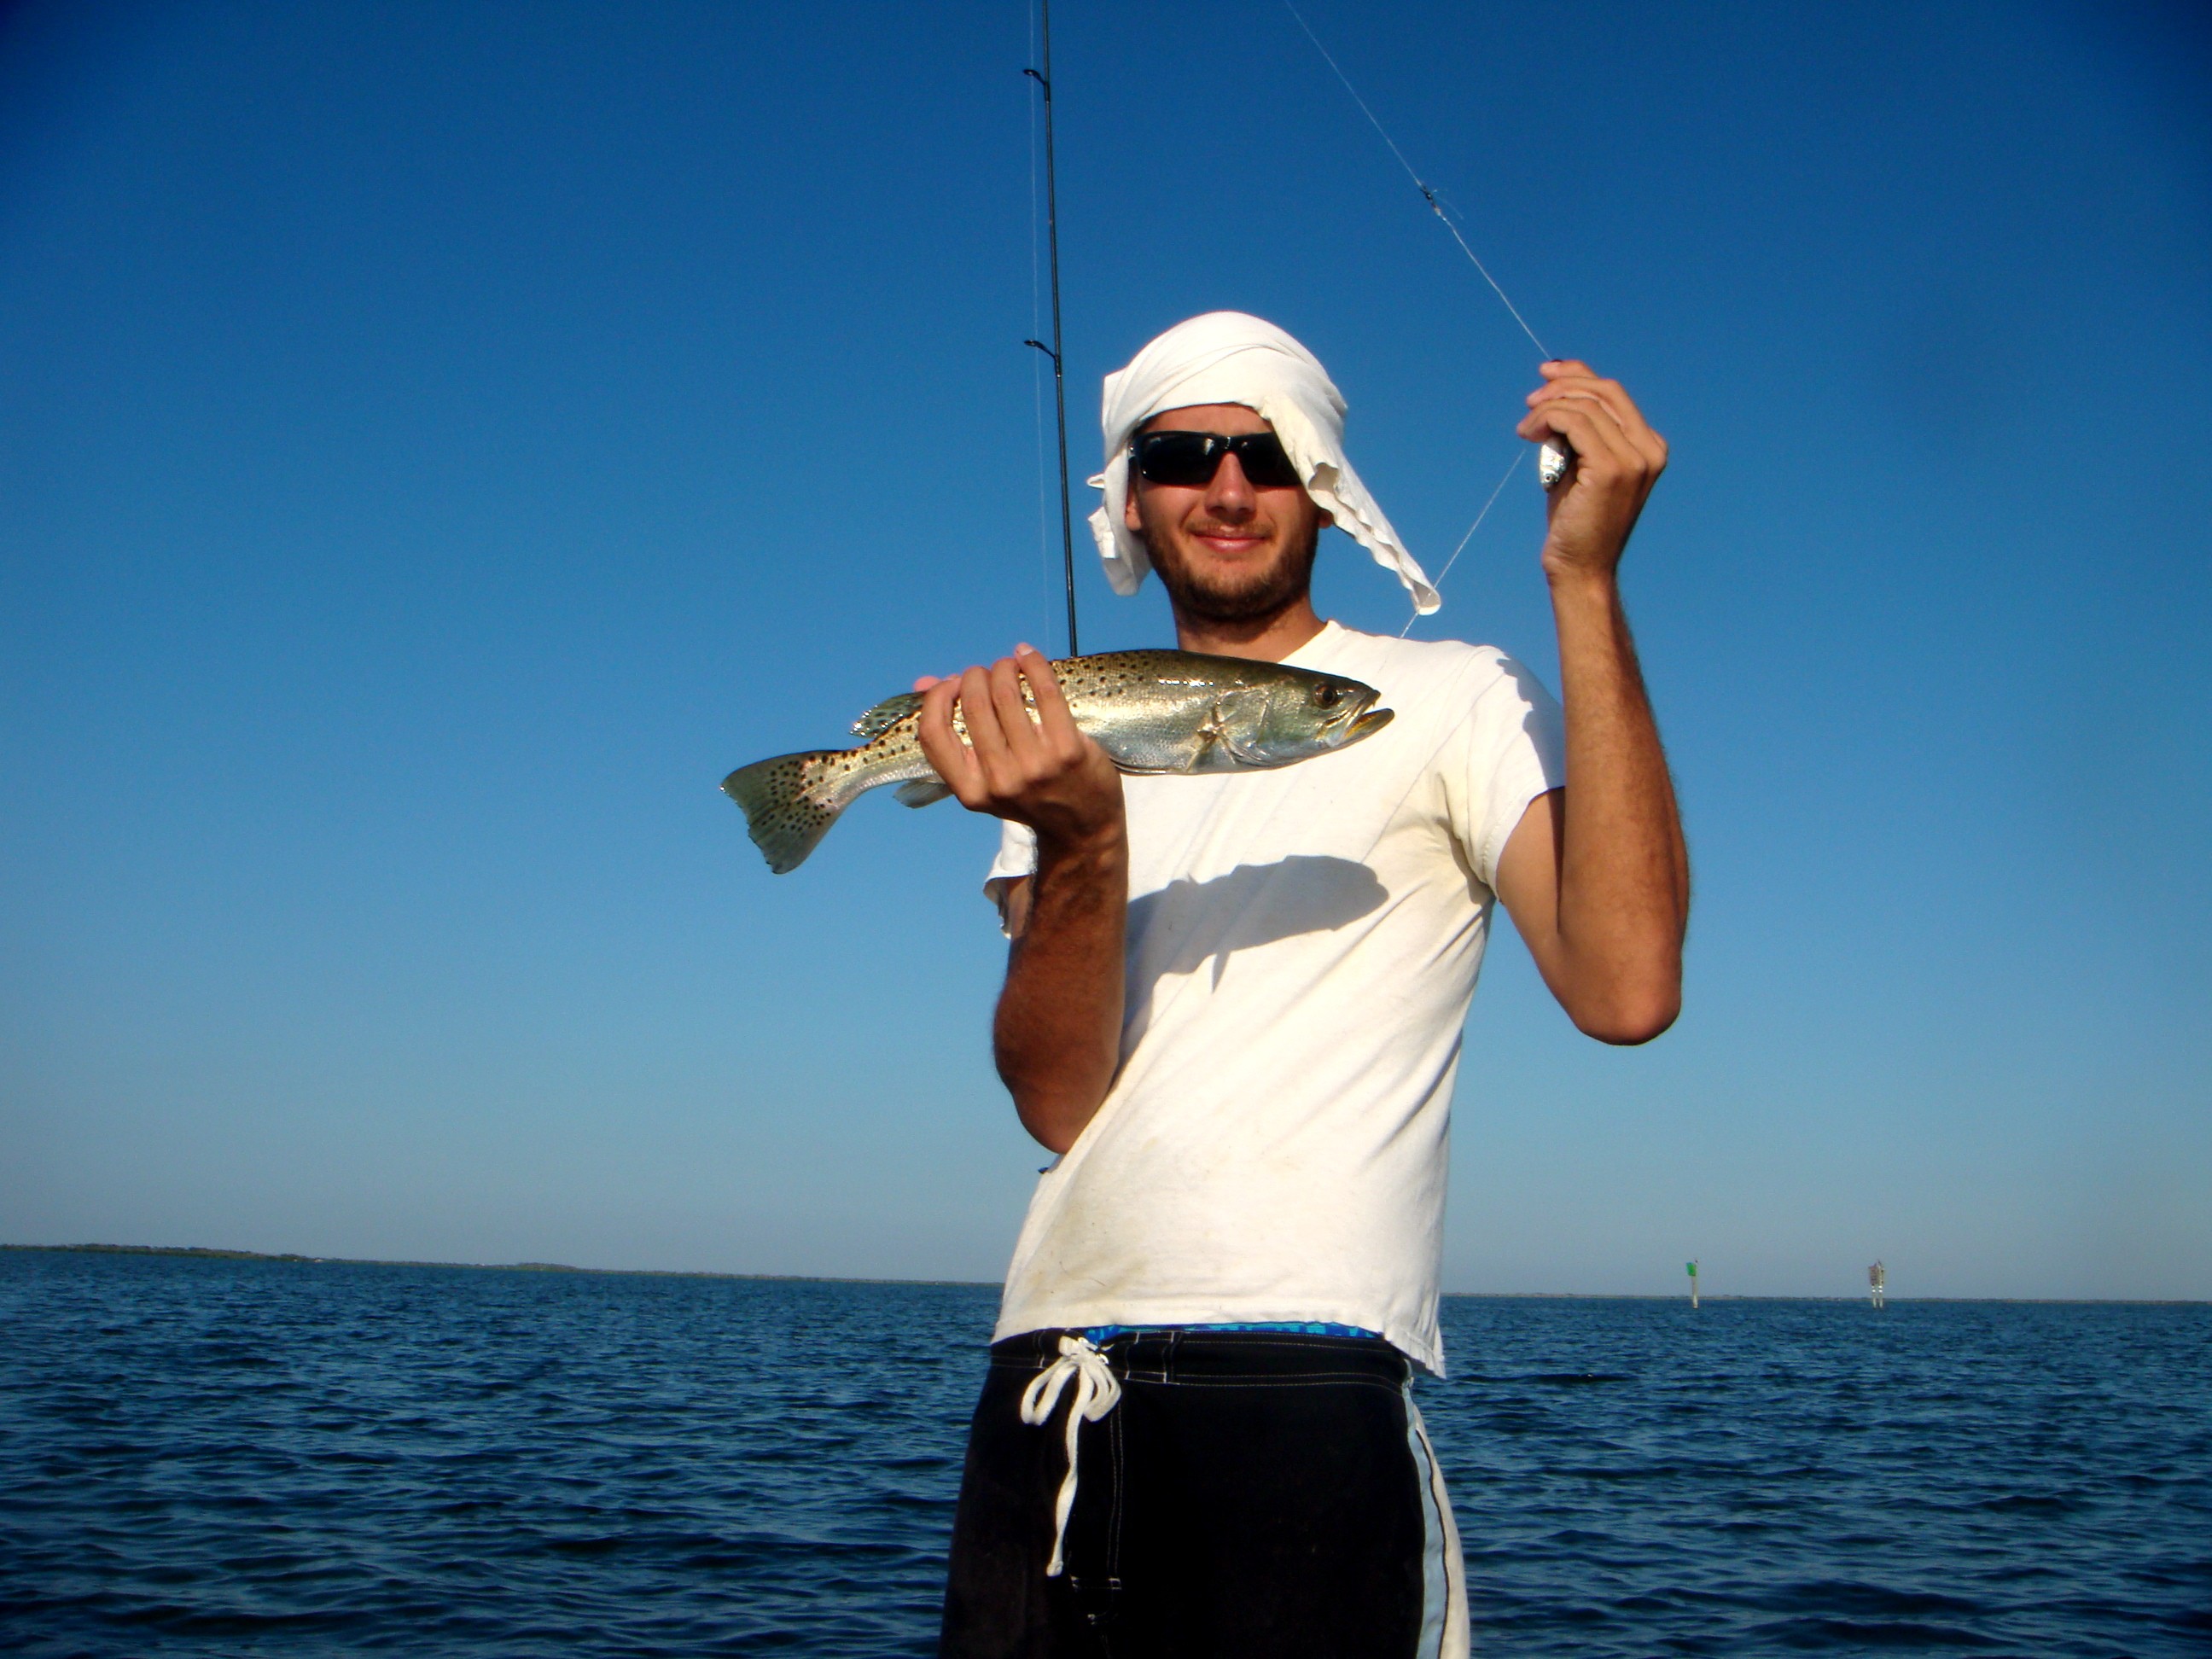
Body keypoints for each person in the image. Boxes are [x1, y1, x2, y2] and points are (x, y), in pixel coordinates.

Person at [920, 312, 1687, 1659]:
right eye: (1184, 455)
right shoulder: (1063, 740)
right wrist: (1083, 832)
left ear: (1323, 485)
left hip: (1306, 1385)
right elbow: (1055, 1101)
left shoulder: (1450, 697)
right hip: (1047, 1382)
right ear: (1132, 501)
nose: (1227, 488)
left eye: (1267, 457)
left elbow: (1626, 987)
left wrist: (1585, 584)